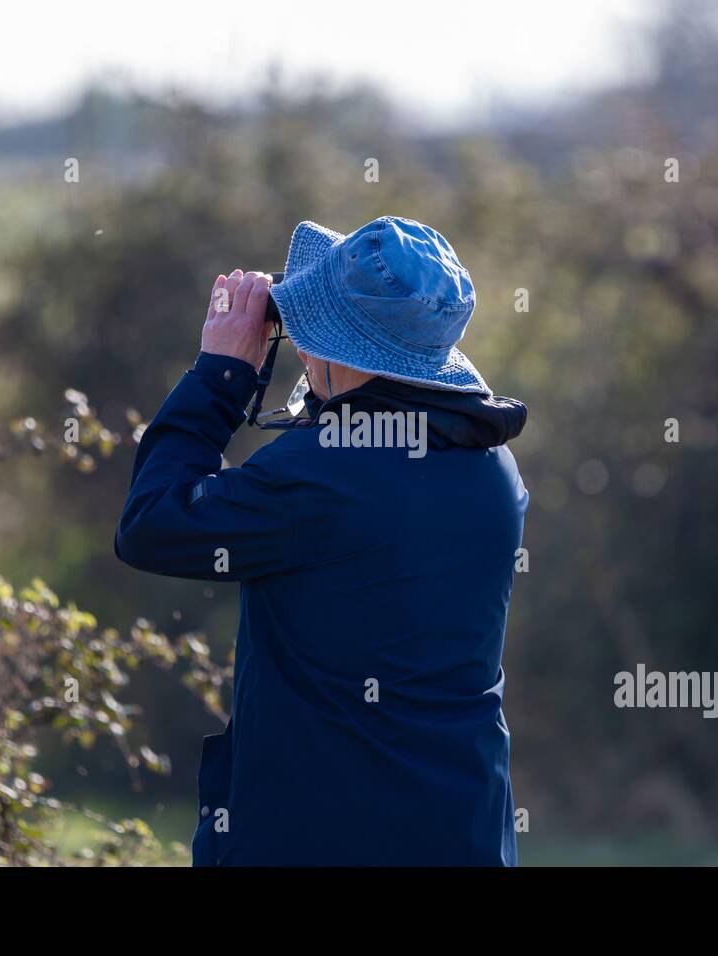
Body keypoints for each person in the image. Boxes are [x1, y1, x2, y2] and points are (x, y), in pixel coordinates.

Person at [115, 215, 528, 865]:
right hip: (462, 833)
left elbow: (151, 525)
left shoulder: (317, 476)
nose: (303, 348)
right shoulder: (492, 466)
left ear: (342, 351)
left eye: (313, 332)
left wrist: (221, 376)